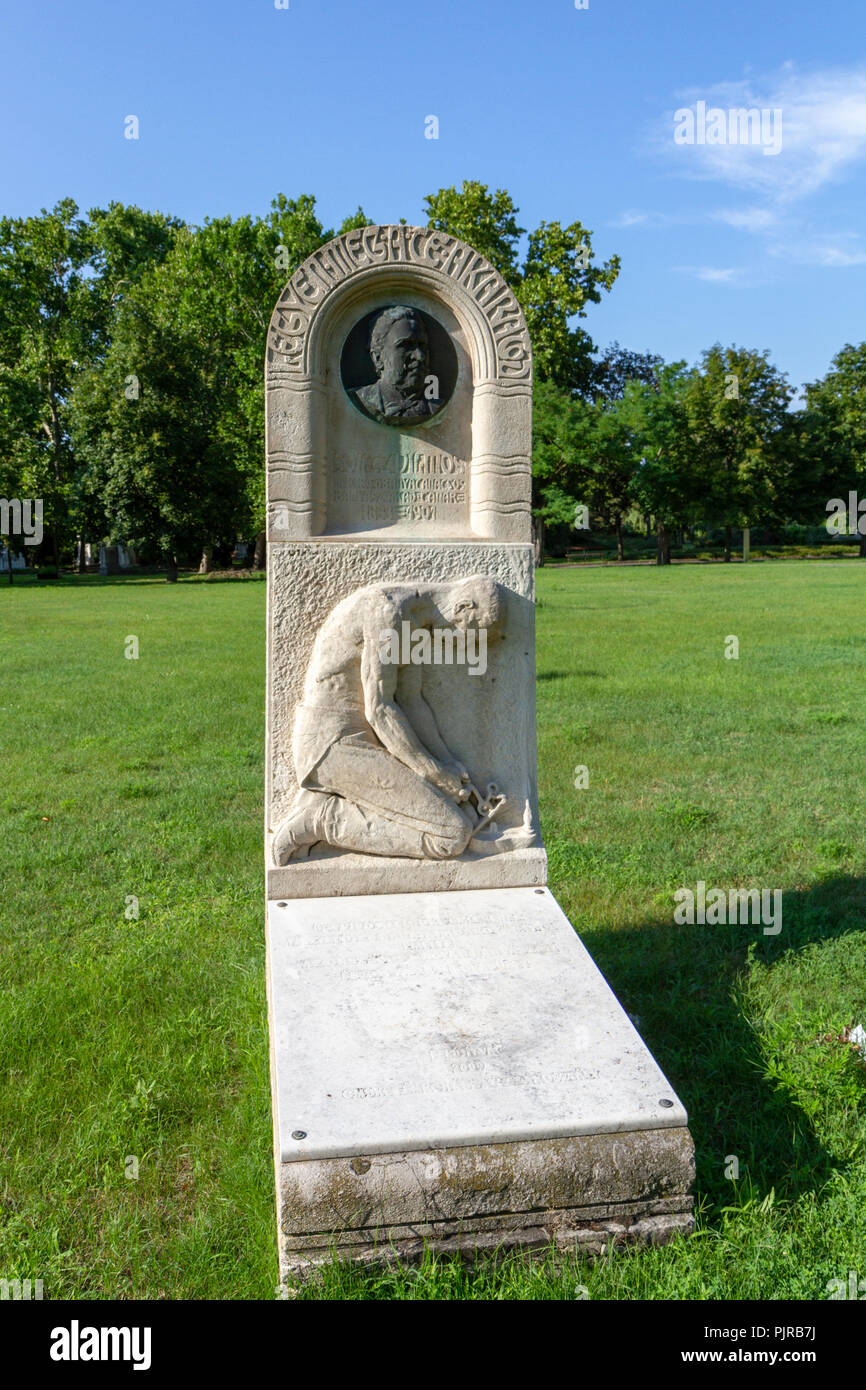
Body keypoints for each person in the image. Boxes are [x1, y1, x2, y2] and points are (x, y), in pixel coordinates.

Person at [271, 577, 503, 863]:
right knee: (452, 834)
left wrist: (446, 764)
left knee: (452, 814)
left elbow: (411, 703)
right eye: (471, 631)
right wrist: (433, 773)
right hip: (331, 744)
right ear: (463, 607)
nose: (466, 641)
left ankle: (332, 803)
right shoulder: (386, 612)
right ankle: (321, 818)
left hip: (359, 743)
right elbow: (379, 710)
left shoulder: (415, 622)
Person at [351, 305, 441, 424]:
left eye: (422, 346)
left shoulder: (435, 407)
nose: (420, 356)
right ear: (377, 358)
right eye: (406, 345)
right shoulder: (357, 399)